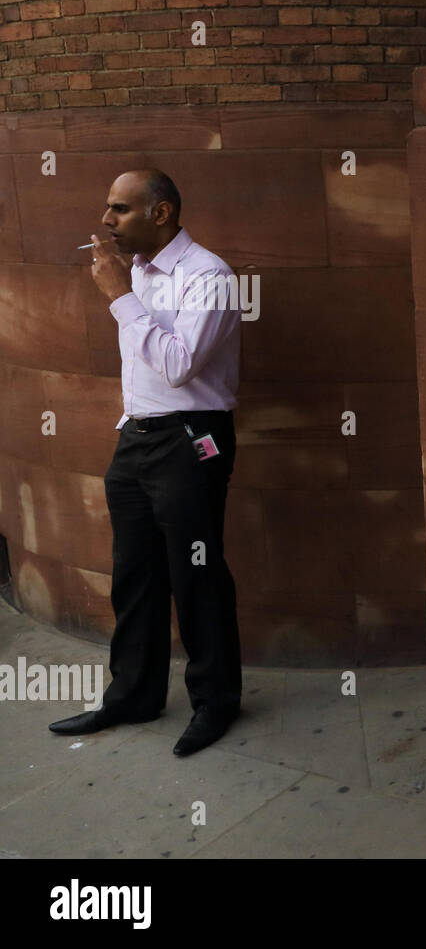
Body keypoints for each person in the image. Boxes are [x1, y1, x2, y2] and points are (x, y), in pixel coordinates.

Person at [49, 169, 243, 756]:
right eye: (108, 209)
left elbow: (180, 364)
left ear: (160, 214)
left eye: (120, 210)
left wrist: (119, 298)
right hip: (135, 439)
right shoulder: (135, 270)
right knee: (134, 573)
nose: (106, 222)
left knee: (196, 573)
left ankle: (215, 702)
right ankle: (133, 694)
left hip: (192, 441)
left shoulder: (208, 274)